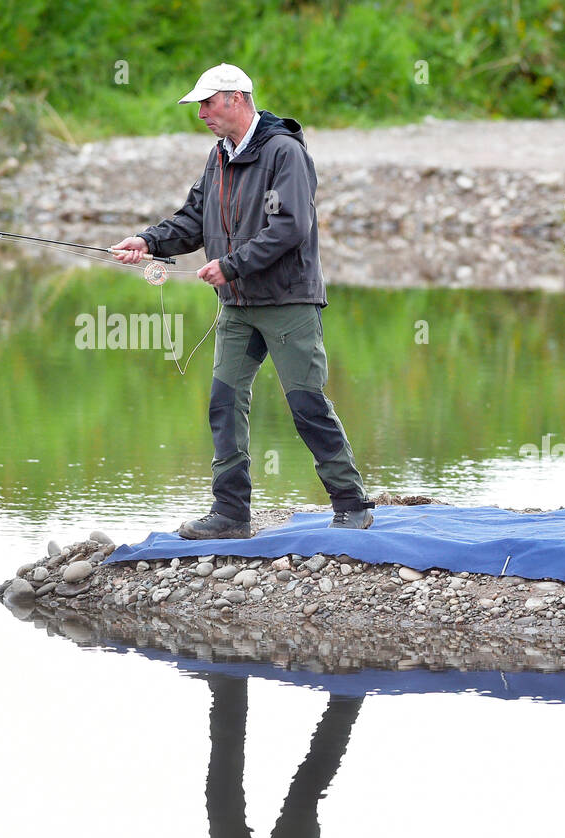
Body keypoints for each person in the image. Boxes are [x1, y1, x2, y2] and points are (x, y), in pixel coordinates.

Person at [113, 64, 374, 538]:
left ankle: (351, 502)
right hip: (237, 306)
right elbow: (192, 222)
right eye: (199, 106)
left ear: (235, 98)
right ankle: (231, 514)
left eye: (207, 104)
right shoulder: (217, 158)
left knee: (306, 404)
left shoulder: (284, 152)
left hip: (289, 301)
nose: (201, 115)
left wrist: (230, 265)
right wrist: (146, 242)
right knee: (224, 403)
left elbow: (292, 227)